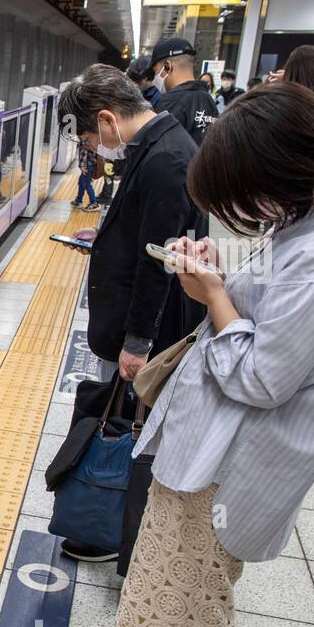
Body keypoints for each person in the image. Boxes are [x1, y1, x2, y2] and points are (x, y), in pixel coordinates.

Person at [111, 82, 314, 627]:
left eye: (246, 197)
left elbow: (263, 377)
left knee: (191, 582)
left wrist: (214, 298)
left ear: (283, 175)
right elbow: (273, 310)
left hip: (233, 459)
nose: (247, 214)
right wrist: (221, 275)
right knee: (186, 574)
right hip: (223, 447)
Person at [56, 64, 207, 562]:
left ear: (107, 120)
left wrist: (137, 343)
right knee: (125, 423)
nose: (95, 148)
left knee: (128, 431)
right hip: (138, 324)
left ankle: (112, 529)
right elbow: (143, 233)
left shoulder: (165, 160)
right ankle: (111, 525)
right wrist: (103, 240)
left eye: (89, 138)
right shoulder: (159, 145)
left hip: (149, 331)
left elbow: (157, 263)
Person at [148, 37, 218, 145]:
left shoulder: (170, 103)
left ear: (167, 66)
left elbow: (160, 148)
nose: (155, 77)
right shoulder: (208, 99)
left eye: (155, 70)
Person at [72, 138, 100, 211]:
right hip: (91, 163)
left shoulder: (85, 138)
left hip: (88, 165)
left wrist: (82, 166)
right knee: (82, 182)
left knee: (87, 184)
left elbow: (83, 152)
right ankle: (78, 200)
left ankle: (94, 203)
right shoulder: (93, 137)